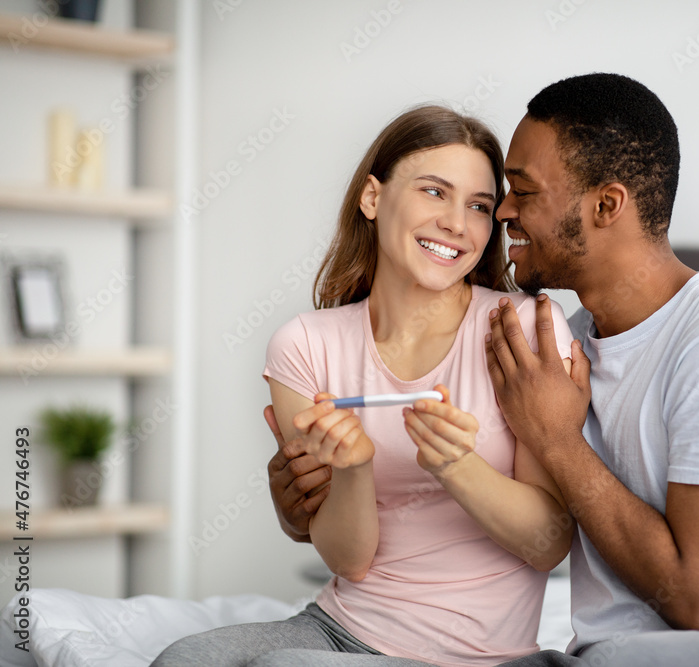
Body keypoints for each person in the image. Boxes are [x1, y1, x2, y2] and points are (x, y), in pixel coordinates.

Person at [271, 75, 699, 666]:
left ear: (605, 206)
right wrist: (302, 507)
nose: (502, 215)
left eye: (520, 192)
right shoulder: (562, 342)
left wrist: (556, 437)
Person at [154, 105, 576, 667]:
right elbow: (348, 561)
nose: (457, 222)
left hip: (479, 656)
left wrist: (457, 466)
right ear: (372, 198)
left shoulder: (520, 328)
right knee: (185, 659)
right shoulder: (303, 345)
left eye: (478, 206)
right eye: (434, 191)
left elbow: (548, 545)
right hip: (339, 628)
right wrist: (352, 468)